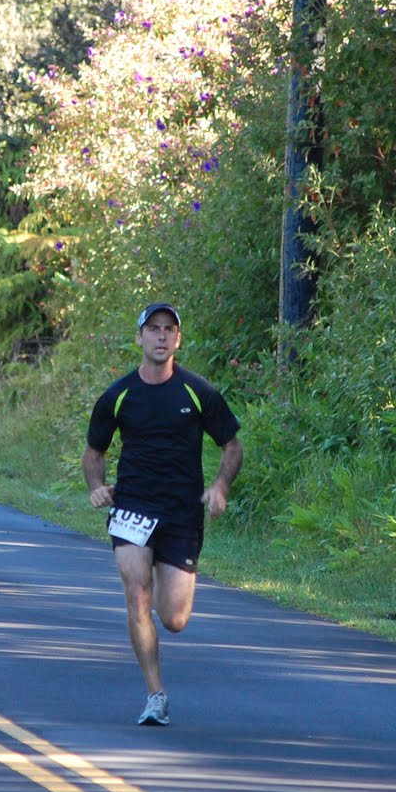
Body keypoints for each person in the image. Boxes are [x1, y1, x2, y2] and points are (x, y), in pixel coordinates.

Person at [82, 302, 243, 726]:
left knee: (174, 618)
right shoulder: (118, 395)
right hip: (133, 506)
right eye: (153, 329)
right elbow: (94, 451)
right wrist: (97, 486)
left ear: (178, 339)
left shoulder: (198, 392)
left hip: (180, 513)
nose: (161, 336)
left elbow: (232, 445)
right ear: (139, 337)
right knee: (137, 592)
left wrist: (220, 487)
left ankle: (157, 568)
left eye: (168, 329)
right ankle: (156, 695)